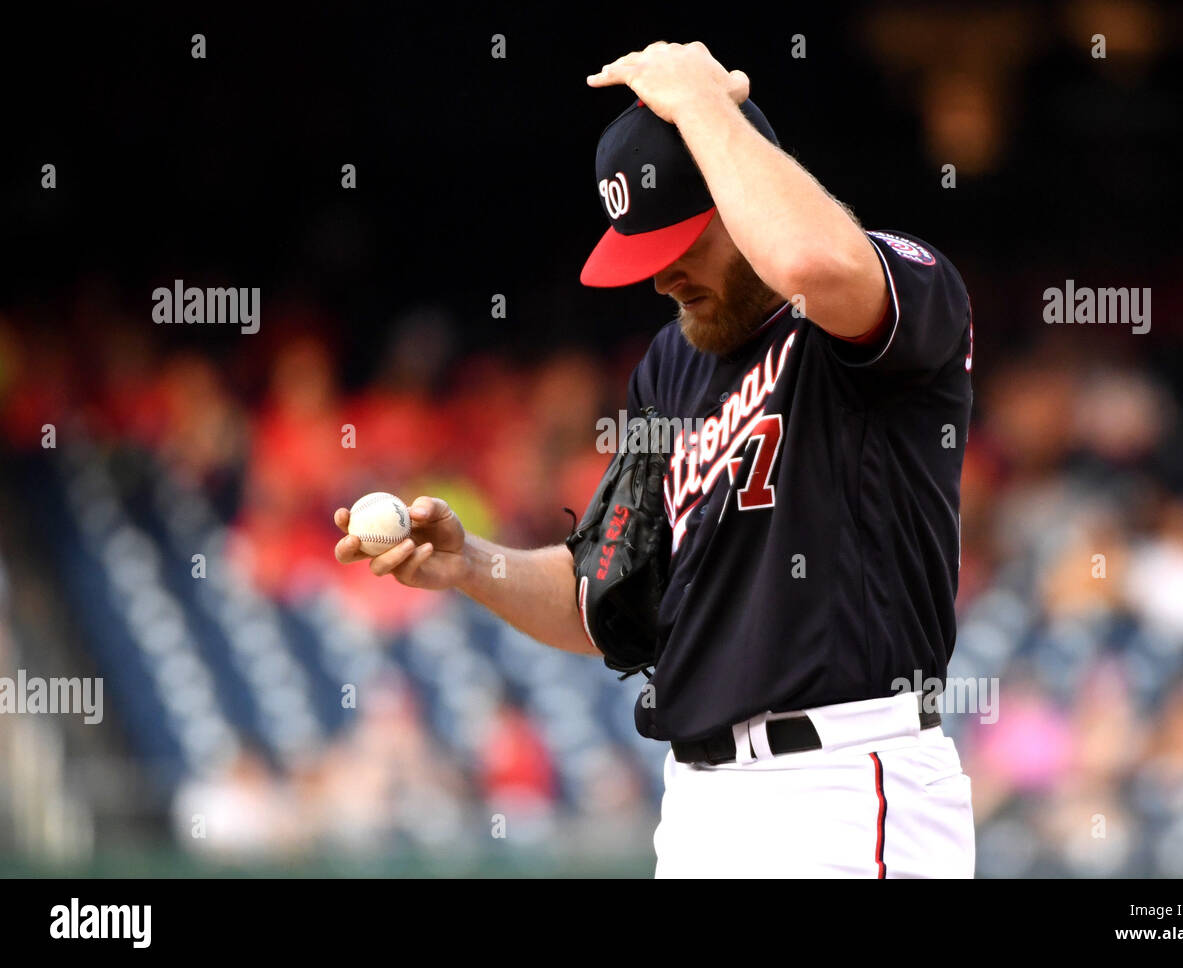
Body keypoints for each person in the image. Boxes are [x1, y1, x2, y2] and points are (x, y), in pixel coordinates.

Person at [335, 41, 975, 877]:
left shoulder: (898, 288)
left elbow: (813, 261)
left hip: (845, 788)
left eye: (680, 239)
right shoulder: (670, 368)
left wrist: (704, 103)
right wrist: (470, 566)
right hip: (700, 803)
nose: (662, 275)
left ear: (739, 188)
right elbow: (606, 599)